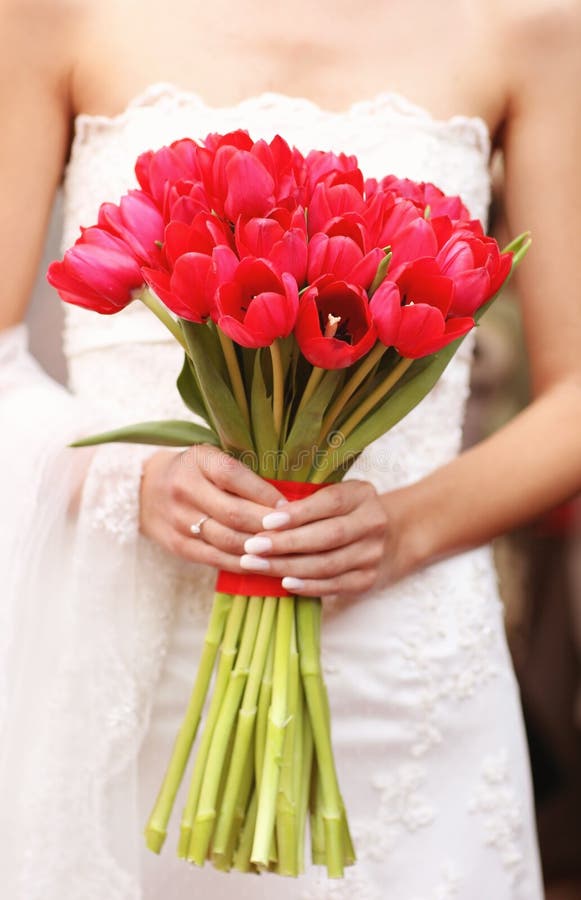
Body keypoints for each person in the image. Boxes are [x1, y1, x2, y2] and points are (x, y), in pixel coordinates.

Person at [1, 0, 580, 897]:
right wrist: (126, 479)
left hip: (404, 669)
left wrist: (403, 529)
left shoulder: (533, 22)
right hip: (130, 660)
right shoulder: (49, 15)